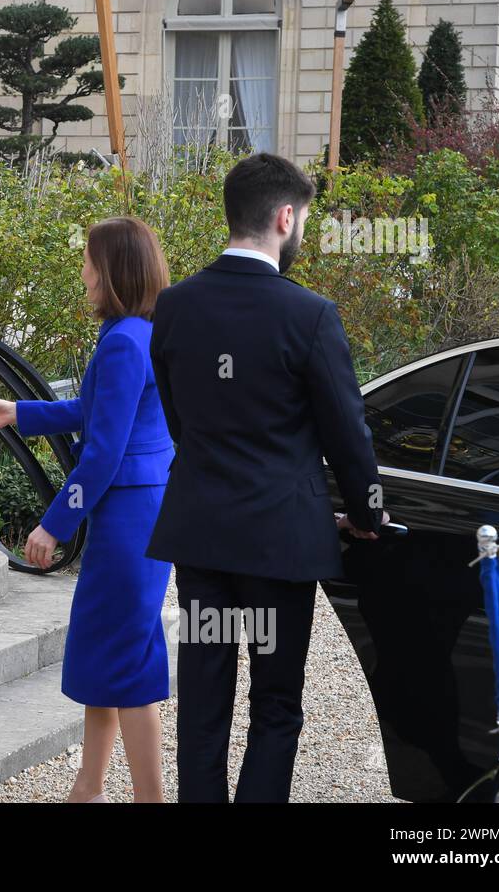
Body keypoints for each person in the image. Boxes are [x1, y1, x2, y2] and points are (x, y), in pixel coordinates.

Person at [145, 152, 388, 803]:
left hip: (200, 537)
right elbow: (348, 436)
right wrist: (367, 516)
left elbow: (180, 419)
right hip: (279, 545)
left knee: (202, 701)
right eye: (303, 219)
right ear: (286, 217)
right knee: (275, 704)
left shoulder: (174, 307)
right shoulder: (309, 315)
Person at [0, 217, 174, 803]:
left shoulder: (123, 340)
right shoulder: (138, 331)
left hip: (127, 518)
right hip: (139, 509)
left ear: (112, 270)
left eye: (88, 260)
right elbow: (96, 410)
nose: (82, 271)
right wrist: (15, 411)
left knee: (128, 662)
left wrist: (54, 524)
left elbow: (104, 454)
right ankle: (88, 788)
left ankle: (148, 799)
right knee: (110, 653)